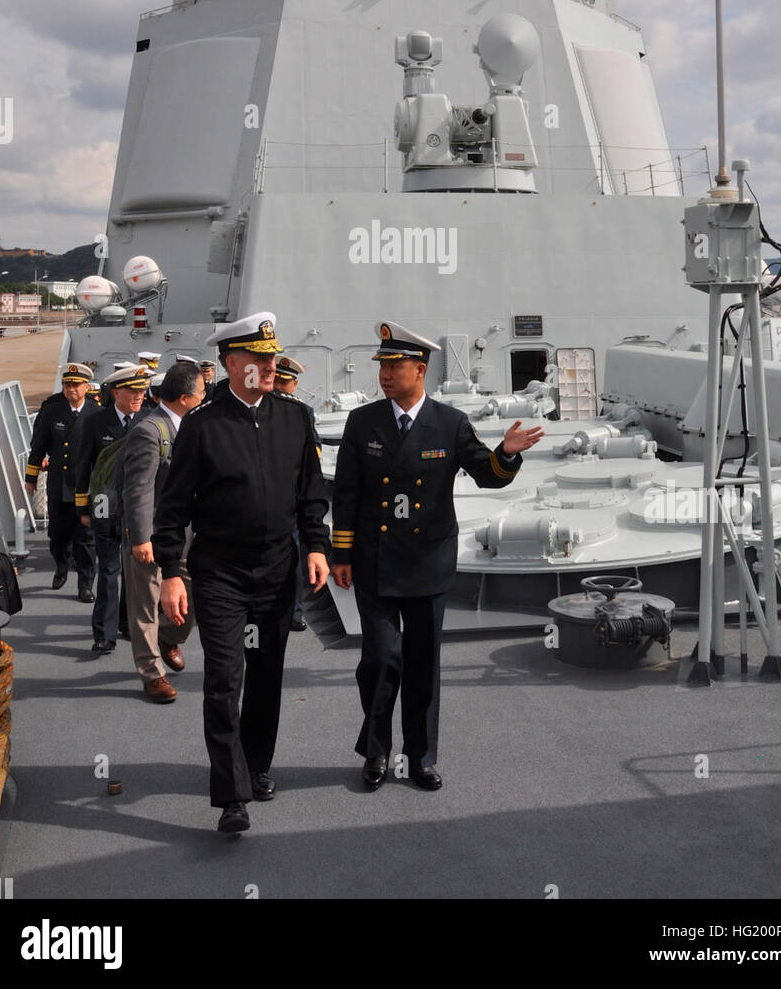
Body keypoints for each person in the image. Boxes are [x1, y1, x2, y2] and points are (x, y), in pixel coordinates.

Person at [331, 321, 544, 791]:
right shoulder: (362, 422)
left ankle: (420, 755)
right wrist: (340, 554)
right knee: (381, 659)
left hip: (427, 563)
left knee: (424, 663)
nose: (386, 374)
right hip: (375, 561)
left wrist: (506, 454)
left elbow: (486, 474)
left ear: (420, 369)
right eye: (383, 366)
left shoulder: (449, 423)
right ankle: (377, 749)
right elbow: (345, 492)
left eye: (395, 365)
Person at [153, 311, 330, 834]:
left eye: (272, 357)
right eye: (258, 358)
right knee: (224, 679)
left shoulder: (295, 418)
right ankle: (232, 795)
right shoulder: (203, 427)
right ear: (232, 364)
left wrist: (316, 547)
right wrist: (171, 571)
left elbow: (311, 495)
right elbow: (172, 508)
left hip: (278, 570)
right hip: (221, 573)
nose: (269, 366)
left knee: (267, 676)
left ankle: (256, 766)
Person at [121, 363, 204, 703]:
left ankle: (169, 638)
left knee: (192, 601)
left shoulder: (191, 427)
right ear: (185, 398)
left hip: (184, 536)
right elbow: (138, 490)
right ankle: (152, 673)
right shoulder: (149, 431)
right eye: (201, 392)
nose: (204, 397)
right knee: (145, 607)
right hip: (150, 537)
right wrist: (141, 538)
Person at [75, 364, 150, 654]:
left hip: (138, 510)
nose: (139, 396)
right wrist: (83, 506)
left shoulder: (149, 419)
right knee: (108, 570)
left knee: (135, 572)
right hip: (105, 507)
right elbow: (83, 467)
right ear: (116, 391)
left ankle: (126, 623)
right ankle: (104, 634)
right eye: (133, 391)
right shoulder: (96, 423)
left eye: (142, 390)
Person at [25, 363, 98, 600]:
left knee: (86, 539)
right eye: (67, 384)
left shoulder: (97, 413)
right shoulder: (52, 412)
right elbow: (38, 447)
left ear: (86, 387)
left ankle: (85, 584)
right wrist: (31, 477)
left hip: (86, 486)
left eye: (76, 385)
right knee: (58, 534)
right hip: (59, 484)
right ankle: (62, 566)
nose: (71, 389)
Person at [273, 355, 321, 633]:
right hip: (279, 494)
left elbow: (312, 452)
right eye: (280, 380)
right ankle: (290, 611)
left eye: (286, 382)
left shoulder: (301, 412)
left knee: (291, 555)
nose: (283, 386)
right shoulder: (297, 410)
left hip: (286, 493)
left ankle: (292, 611)